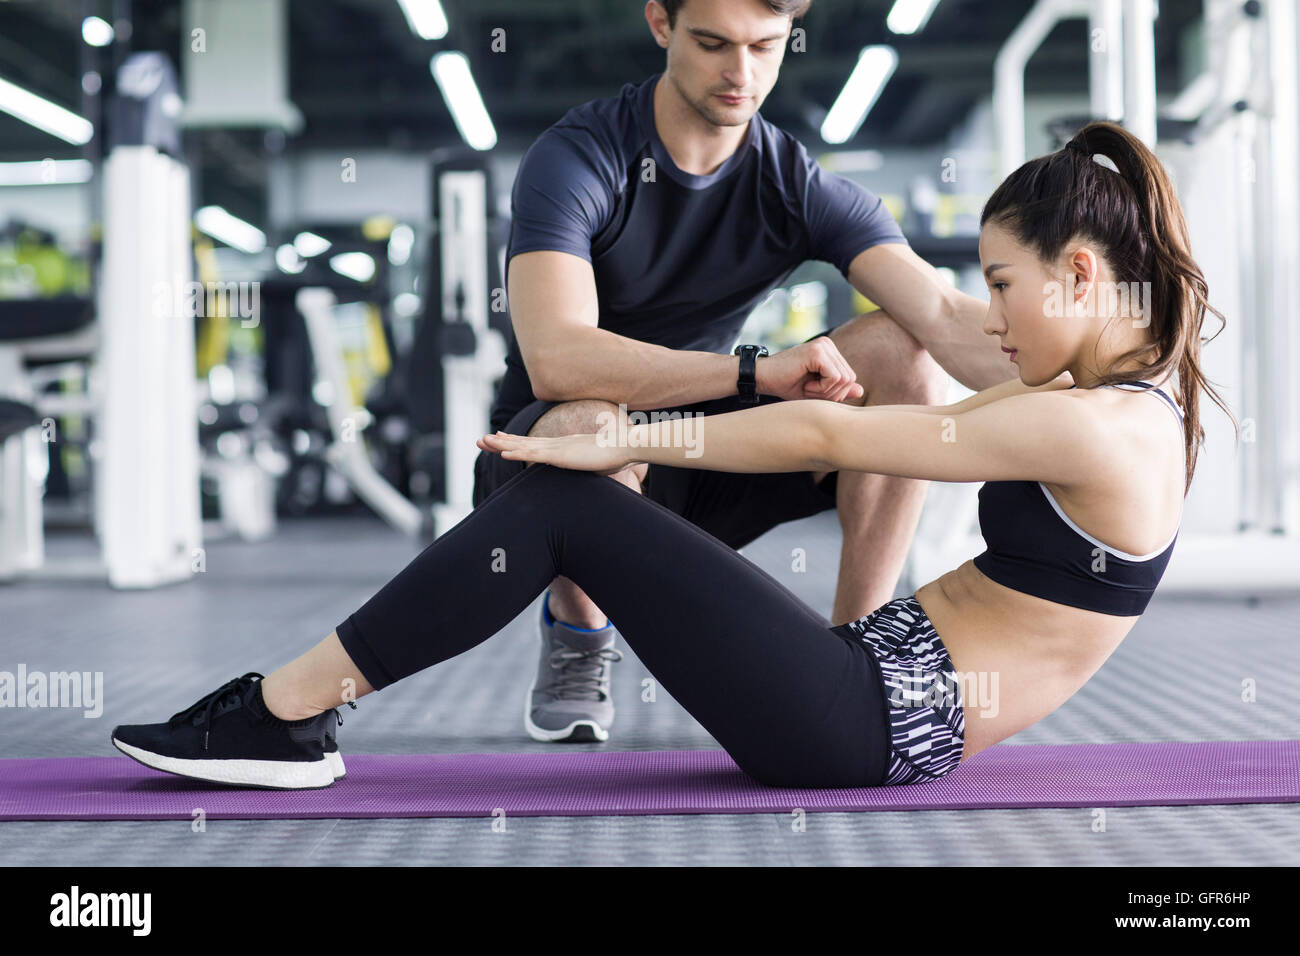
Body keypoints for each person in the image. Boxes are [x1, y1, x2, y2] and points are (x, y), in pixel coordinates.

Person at [110, 121, 1232, 791]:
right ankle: (297, 708)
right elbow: (894, 370)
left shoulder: (1091, 424)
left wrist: (627, 436)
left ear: (1082, 275)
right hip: (865, 698)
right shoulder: (1124, 399)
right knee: (571, 494)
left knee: (569, 503)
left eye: (999, 286)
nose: (989, 321)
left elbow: (827, 432)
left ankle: (286, 712)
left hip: (861, 721)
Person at [475, 0, 1017, 743]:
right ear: (660, 24)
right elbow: (557, 359)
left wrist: (1105, 380)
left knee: (901, 350)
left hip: (704, 456)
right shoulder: (580, 156)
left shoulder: (793, 181)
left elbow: (946, 319)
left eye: (765, 46)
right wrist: (756, 374)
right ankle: (579, 636)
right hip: (549, 463)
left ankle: (855, 647)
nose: (741, 72)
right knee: (588, 418)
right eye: (712, 43)